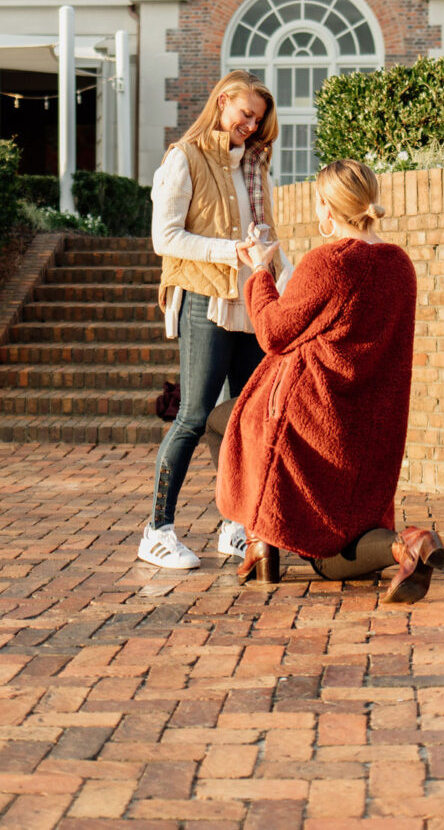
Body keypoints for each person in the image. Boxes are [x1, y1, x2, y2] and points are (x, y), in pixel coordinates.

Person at [204, 158, 444, 603]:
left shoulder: (328, 262)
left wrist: (260, 270)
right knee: (344, 540)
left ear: (326, 208)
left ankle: (261, 545)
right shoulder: (400, 266)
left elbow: (275, 332)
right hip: (369, 429)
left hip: (310, 419)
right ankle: (406, 544)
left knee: (222, 423)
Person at [137, 70, 288, 570]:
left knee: (242, 420)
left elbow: (265, 238)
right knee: (194, 417)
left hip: (250, 302)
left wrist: (285, 287)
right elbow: (166, 238)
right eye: (245, 114)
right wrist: (230, 250)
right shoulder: (184, 157)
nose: (250, 124)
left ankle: (234, 526)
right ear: (222, 101)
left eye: (258, 119)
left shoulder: (252, 166)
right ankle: (156, 530)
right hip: (205, 299)